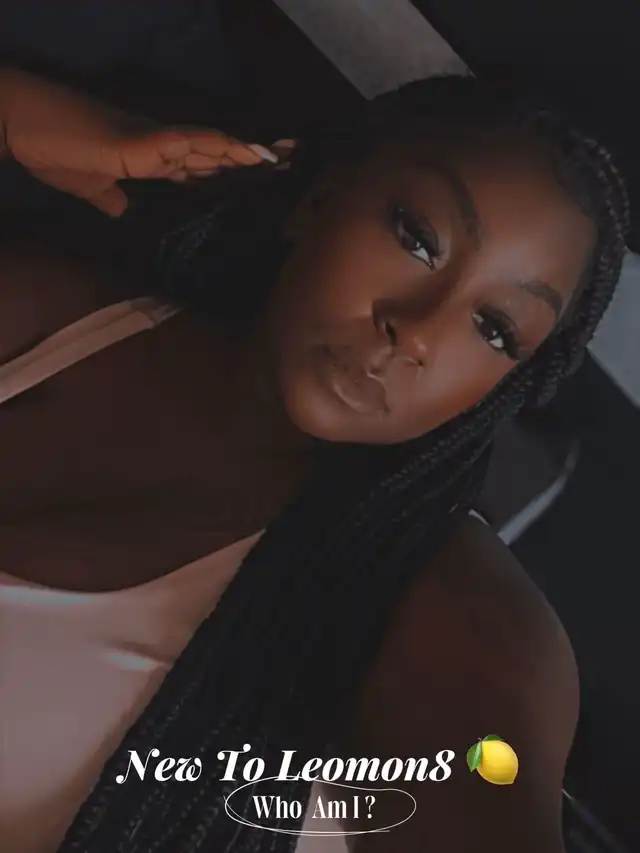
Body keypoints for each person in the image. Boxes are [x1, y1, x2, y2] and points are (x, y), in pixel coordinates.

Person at [0, 66, 629, 853]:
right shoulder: (46, 322)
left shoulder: (463, 625)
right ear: (321, 199)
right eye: (417, 238)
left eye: (495, 329)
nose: (417, 331)